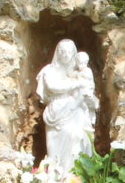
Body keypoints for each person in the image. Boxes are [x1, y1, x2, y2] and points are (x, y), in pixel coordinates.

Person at [35, 39, 97, 174]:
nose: (66, 54)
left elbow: (88, 89)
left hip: (75, 112)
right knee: (54, 152)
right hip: (56, 111)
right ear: (57, 52)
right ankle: (55, 182)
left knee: (76, 142)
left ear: (74, 53)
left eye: (69, 51)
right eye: (62, 51)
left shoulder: (80, 72)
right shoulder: (49, 71)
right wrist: (76, 84)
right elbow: (53, 86)